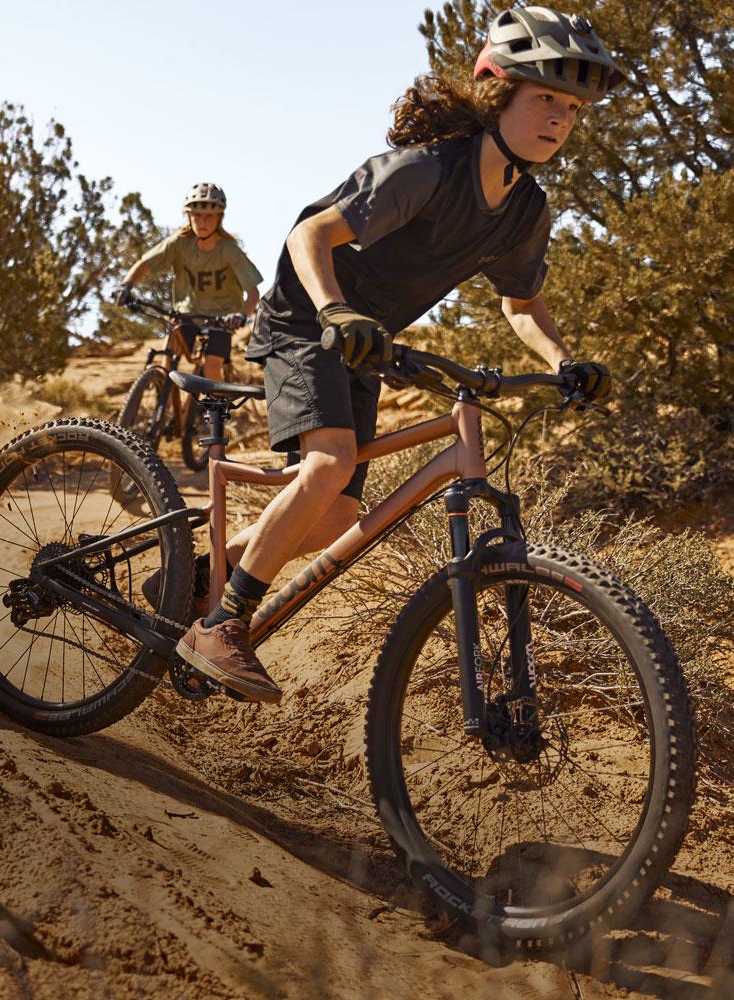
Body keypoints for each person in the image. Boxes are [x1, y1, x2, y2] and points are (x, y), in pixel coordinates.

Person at [174, 6, 619, 703]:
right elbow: (311, 238)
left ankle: (198, 577)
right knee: (330, 465)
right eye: (544, 99)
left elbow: (521, 304)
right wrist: (334, 309)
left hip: (362, 340)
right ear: (499, 95)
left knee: (333, 518)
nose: (560, 119)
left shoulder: (527, 209)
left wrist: (565, 360)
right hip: (307, 318)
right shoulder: (424, 173)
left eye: (571, 108)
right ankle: (223, 625)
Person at [113, 183, 262, 384]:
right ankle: (163, 397)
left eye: (209, 216)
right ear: (187, 216)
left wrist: (241, 315)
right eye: (196, 215)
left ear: (219, 218)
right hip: (188, 312)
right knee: (169, 349)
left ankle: (217, 410)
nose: (202, 222)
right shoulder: (179, 243)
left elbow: (253, 292)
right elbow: (145, 263)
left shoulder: (229, 250)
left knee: (211, 367)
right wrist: (126, 285)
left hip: (222, 317)